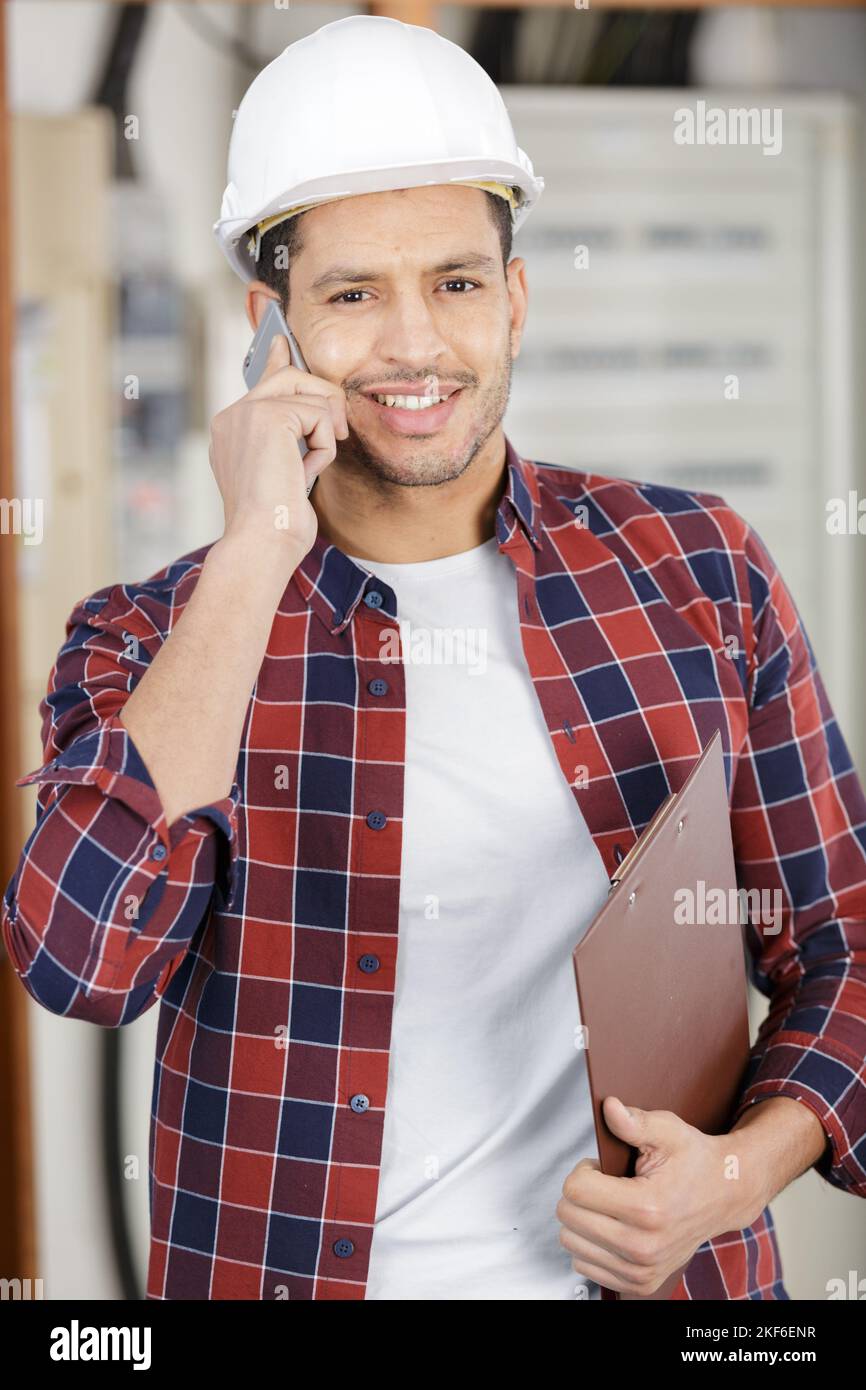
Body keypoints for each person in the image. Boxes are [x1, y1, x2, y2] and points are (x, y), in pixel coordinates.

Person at [3, 14, 865, 1302]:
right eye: (352, 295)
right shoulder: (146, 636)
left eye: (455, 281)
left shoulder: (697, 571)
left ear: (512, 300)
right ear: (271, 332)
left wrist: (738, 1175)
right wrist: (254, 551)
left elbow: (845, 941)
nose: (415, 345)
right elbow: (80, 959)